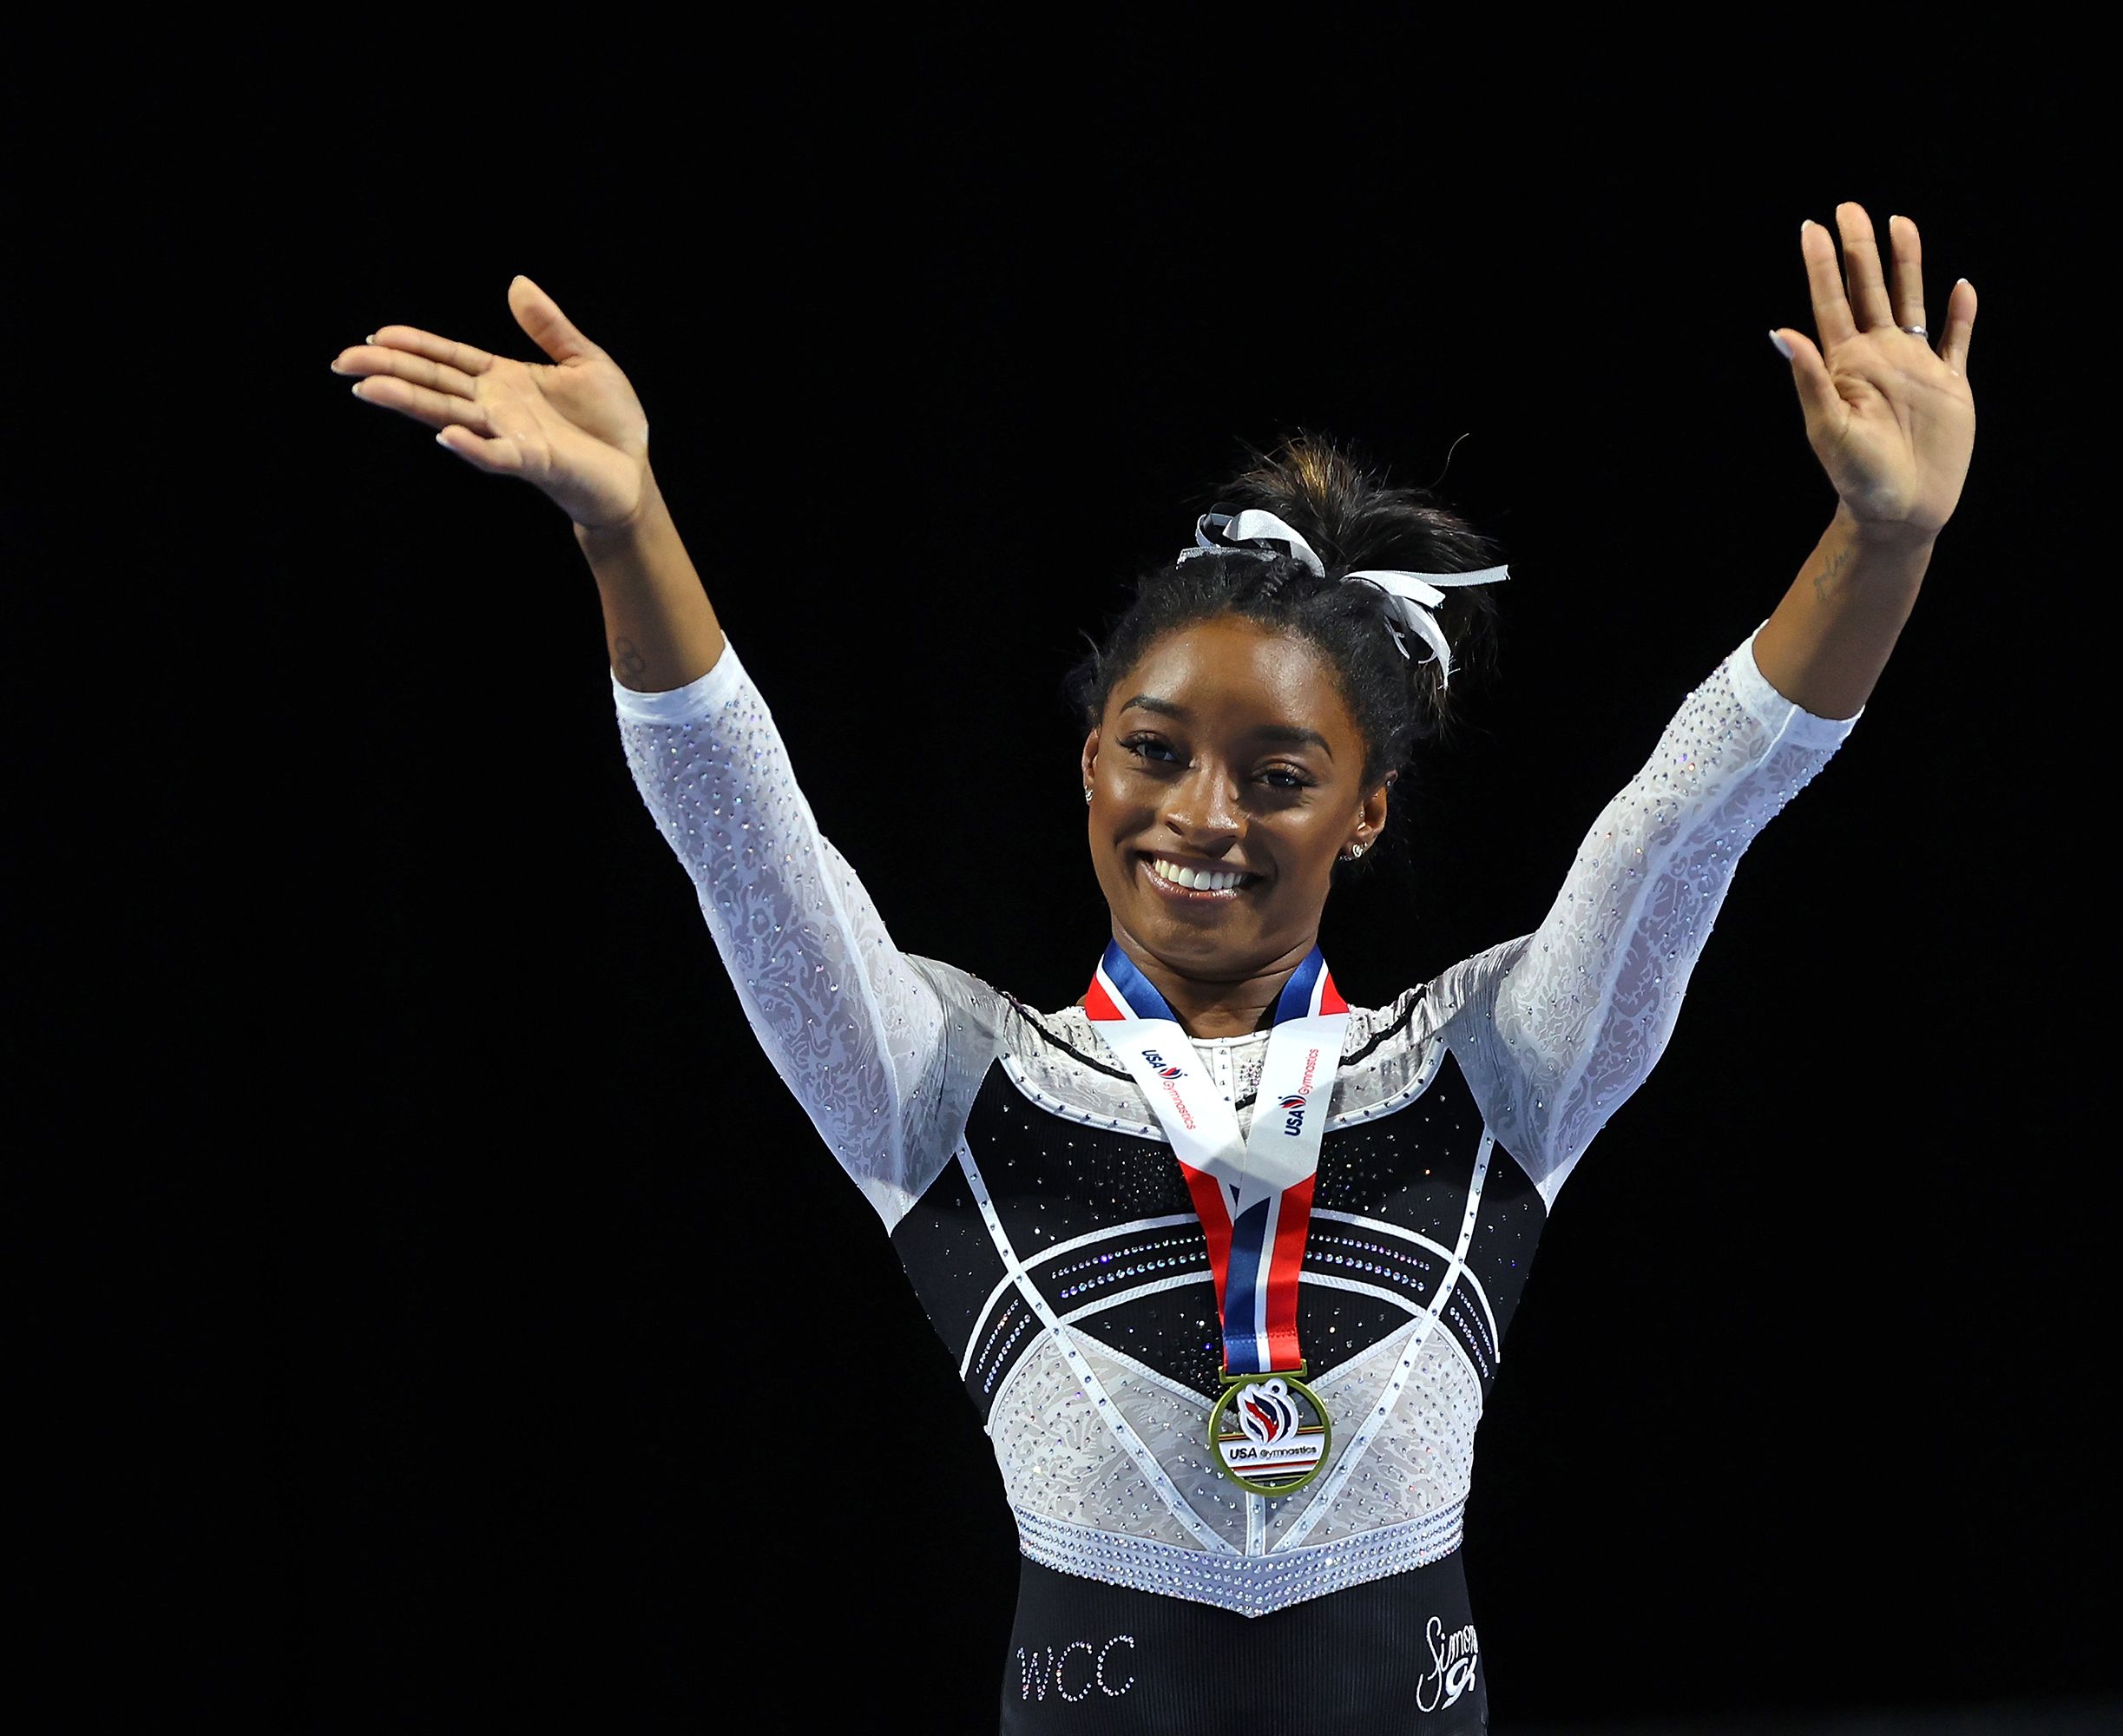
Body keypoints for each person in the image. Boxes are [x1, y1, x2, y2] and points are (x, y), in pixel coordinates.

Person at [332, 200, 1979, 1734]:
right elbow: (741, 837)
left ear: (1367, 814)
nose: (1204, 815)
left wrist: (1882, 543)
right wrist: (628, 525)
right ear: (1090, 770)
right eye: (1155, 752)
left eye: (1278, 775)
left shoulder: (1495, 1066)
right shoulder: (945, 1084)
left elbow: (1687, 818)